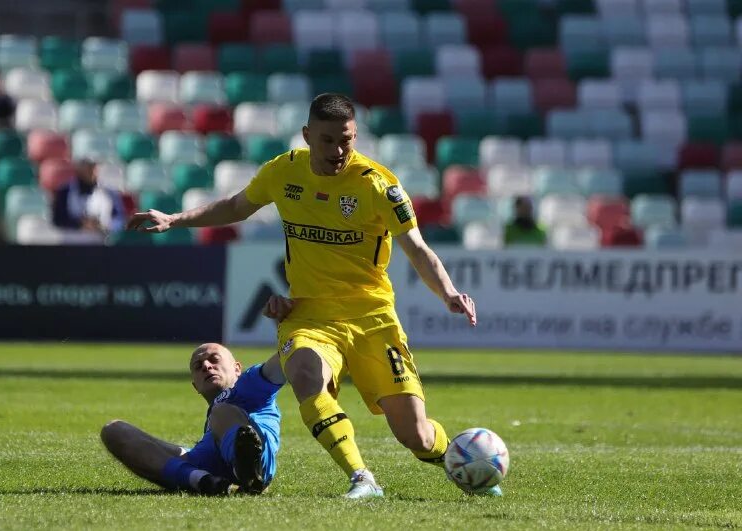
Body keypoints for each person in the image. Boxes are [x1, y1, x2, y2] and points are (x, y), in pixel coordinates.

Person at [127, 93, 489, 499]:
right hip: (310, 315)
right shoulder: (284, 171)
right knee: (304, 374)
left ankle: (457, 459)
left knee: (416, 434)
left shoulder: (379, 186)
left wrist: (449, 292)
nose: (337, 150)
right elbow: (236, 206)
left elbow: (418, 249)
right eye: (328, 140)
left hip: (372, 316)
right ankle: (362, 478)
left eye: (346, 140)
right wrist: (175, 219)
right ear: (307, 135)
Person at [100, 342, 285, 495]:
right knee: (113, 430)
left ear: (237, 368)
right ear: (195, 386)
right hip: (211, 464)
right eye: (198, 366)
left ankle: (250, 472)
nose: (206, 366)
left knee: (221, 412)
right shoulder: (213, 418)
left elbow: (287, 358)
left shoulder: (250, 384)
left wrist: (299, 331)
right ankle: (203, 481)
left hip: (259, 460)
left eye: (214, 359)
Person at [52, 158, 126, 234]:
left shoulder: (110, 193)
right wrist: (79, 224)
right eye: (88, 167)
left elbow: (120, 220)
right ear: (79, 169)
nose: (92, 171)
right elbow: (57, 219)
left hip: (101, 242)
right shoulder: (64, 192)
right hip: (71, 242)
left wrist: (105, 225)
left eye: (94, 167)